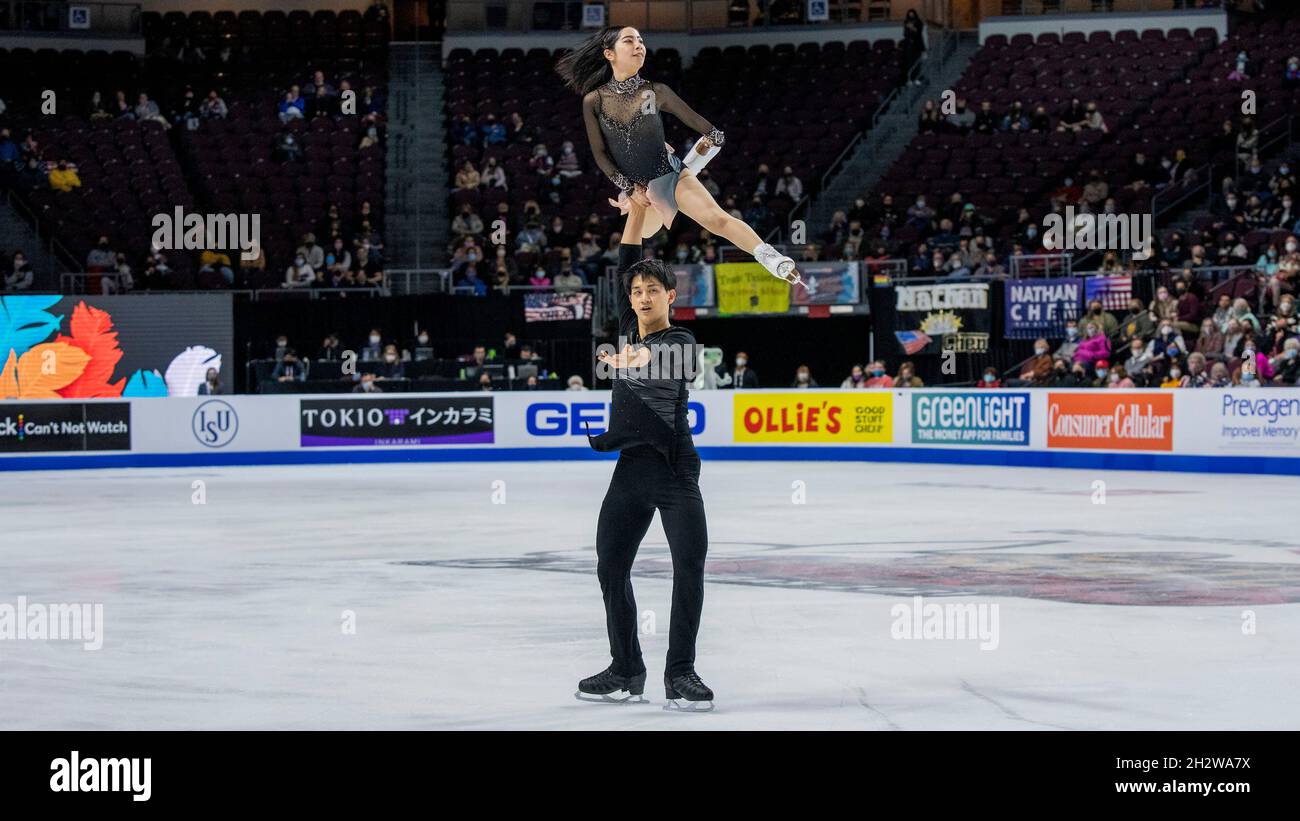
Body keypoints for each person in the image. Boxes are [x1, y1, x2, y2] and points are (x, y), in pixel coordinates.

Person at [577, 201, 712, 710]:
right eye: (636, 291)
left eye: (652, 289)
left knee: (689, 568)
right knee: (610, 568)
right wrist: (636, 208)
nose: (641, 296)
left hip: (675, 471)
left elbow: (672, 360)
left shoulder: (680, 339)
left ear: (670, 296)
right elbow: (627, 254)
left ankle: (681, 673)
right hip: (631, 470)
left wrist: (628, 357)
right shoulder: (627, 326)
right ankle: (626, 668)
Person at [557, 26, 803, 287]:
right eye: (629, 41)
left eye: (641, 40)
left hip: (668, 173)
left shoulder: (657, 91)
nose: (639, 45)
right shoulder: (593, 100)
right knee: (643, 234)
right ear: (609, 53)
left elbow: (697, 121)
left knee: (716, 219)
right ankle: (692, 165)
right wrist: (630, 189)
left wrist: (714, 136)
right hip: (636, 186)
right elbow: (600, 153)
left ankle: (772, 258)